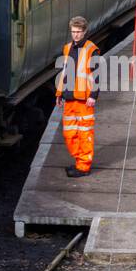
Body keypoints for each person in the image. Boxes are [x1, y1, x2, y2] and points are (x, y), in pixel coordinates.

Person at [55, 15, 100, 177]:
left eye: (79, 32)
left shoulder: (91, 50)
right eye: (73, 32)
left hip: (84, 100)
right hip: (69, 98)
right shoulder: (67, 48)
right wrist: (59, 93)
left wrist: (93, 95)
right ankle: (79, 160)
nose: (75, 35)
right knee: (70, 134)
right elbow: (65, 72)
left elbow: (96, 75)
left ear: (85, 32)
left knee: (84, 134)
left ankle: (83, 166)